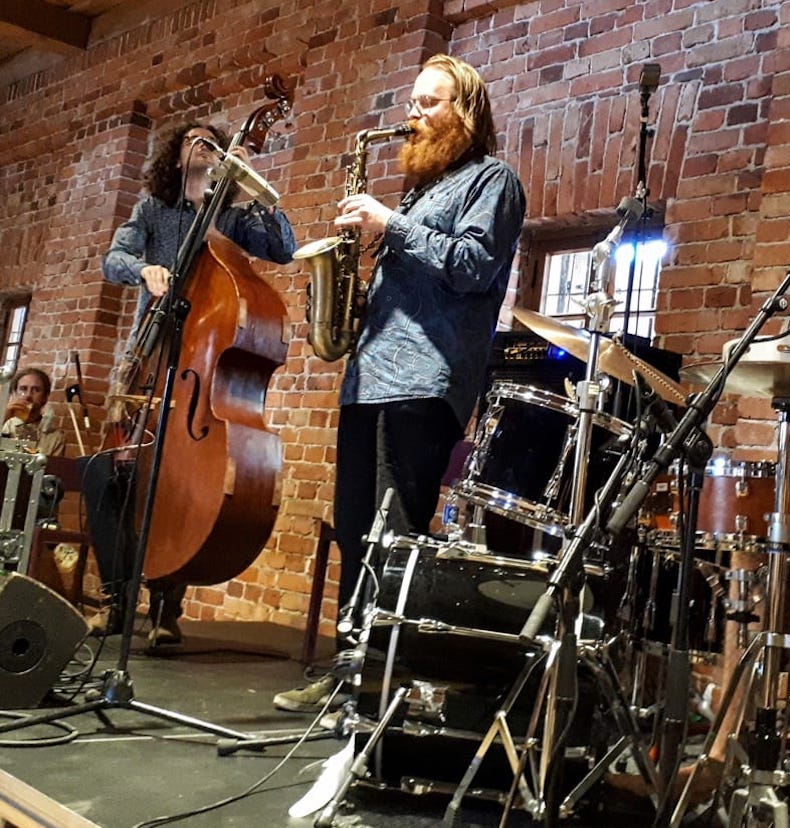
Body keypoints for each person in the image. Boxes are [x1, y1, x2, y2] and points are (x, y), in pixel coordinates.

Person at [272, 53, 526, 713]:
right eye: (412, 103)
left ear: (465, 112)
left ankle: (383, 681)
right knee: (357, 529)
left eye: (429, 103)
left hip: (423, 380)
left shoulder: (492, 180)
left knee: (396, 535)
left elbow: (472, 265)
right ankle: (349, 669)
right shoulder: (420, 191)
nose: (413, 116)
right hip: (368, 376)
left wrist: (392, 226)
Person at [92, 121, 296, 646]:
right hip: (150, 358)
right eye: (192, 139)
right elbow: (112, 259)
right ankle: (118, 598)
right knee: (105, 474)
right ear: (176, 155)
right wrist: (144, 270)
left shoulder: (230, 217)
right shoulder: (152, 210)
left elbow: (284, 248)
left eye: (211, 140)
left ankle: (166, 608)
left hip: (197, 376)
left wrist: (256, 191)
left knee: (183, 481)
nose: (201, 145)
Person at [2, 368, 67, 457]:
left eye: (35, 390)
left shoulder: (55, 437)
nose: (28, 395)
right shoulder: (5, 425)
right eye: (23, 389)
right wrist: (3, 418)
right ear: (14, 393)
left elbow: (53, 468)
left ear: (44, 397)